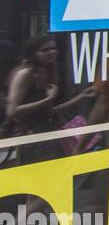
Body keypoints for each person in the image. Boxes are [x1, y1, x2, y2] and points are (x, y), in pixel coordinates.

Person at [3, 36, 94, 164]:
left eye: (53, 48)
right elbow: (12, 111)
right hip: (30, 135)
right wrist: (48, 99)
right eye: (45, 50)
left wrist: (80, 97)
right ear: (33, 53)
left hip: (47, 132)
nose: (51, 52)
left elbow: (50, 111)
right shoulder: (25, 73)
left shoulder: (49, 69)